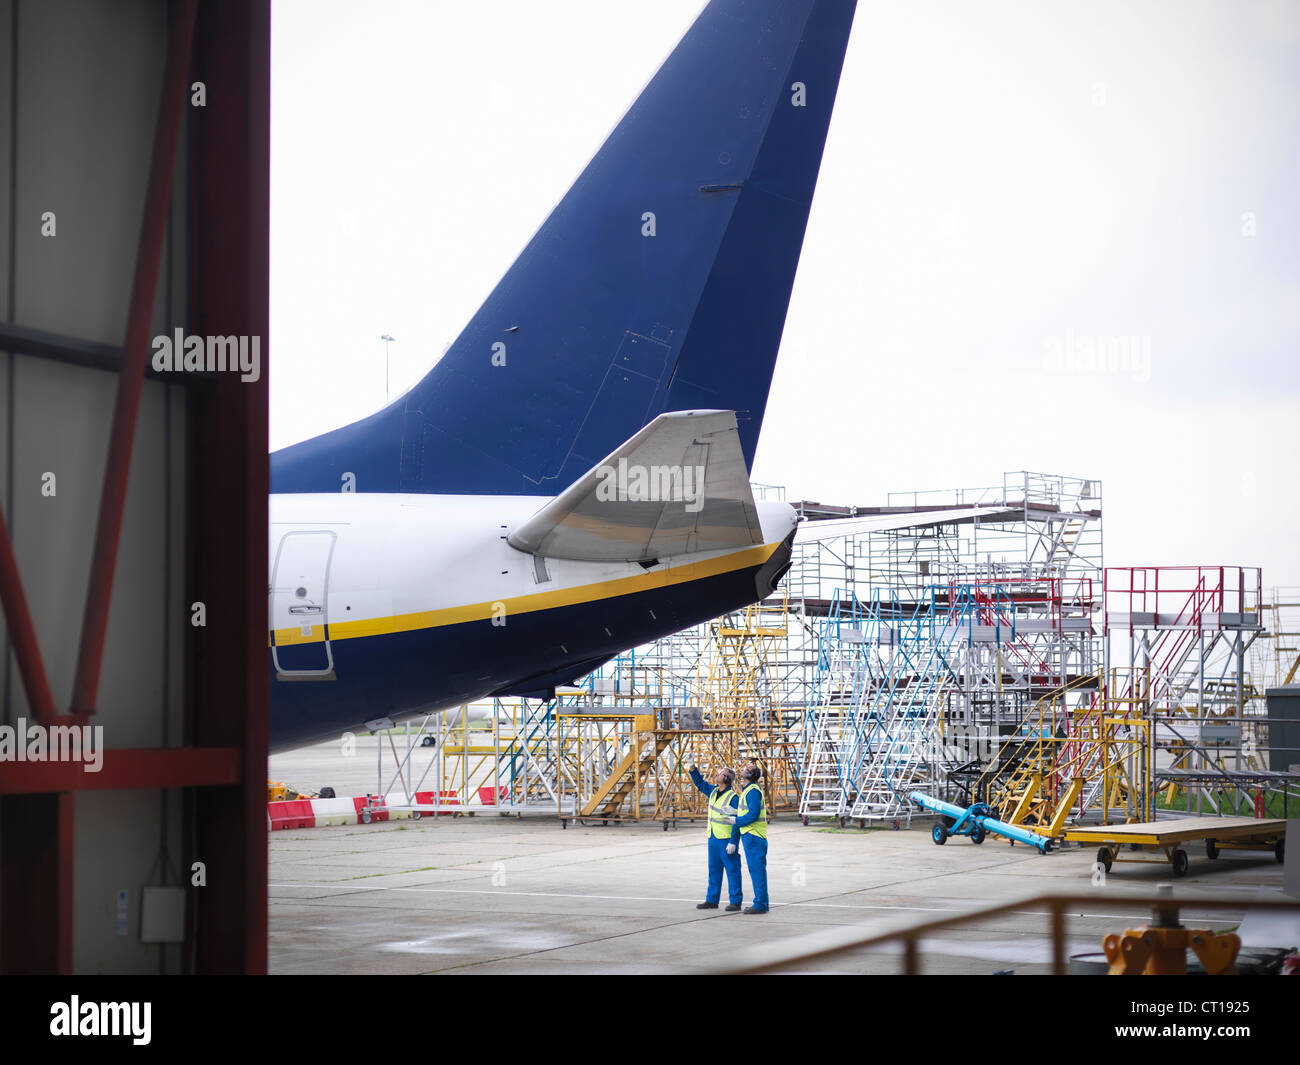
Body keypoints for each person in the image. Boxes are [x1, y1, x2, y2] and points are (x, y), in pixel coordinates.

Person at [687, 763, 743, 912]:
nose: (717, 774)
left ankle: (735, 901)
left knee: (732, 870)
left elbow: (737, 821)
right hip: (713, 837)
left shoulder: (733, 798)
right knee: (714, 870)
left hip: (726, 839)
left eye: (720, 773)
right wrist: (692, 767)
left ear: (726, 779)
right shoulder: (713, 791)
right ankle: (712, 900)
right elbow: (700, 783)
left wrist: (733, 842)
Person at [734, 762, 769, 914]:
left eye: (747, 769)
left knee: (757, 870)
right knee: (755, 870)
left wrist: (737, 821)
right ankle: (760, 902)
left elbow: (753, 815)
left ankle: (761, 904)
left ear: (750, 775)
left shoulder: (753, 791)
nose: (743, 769)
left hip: (754, 834)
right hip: (750, 834)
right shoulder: (748, 790)